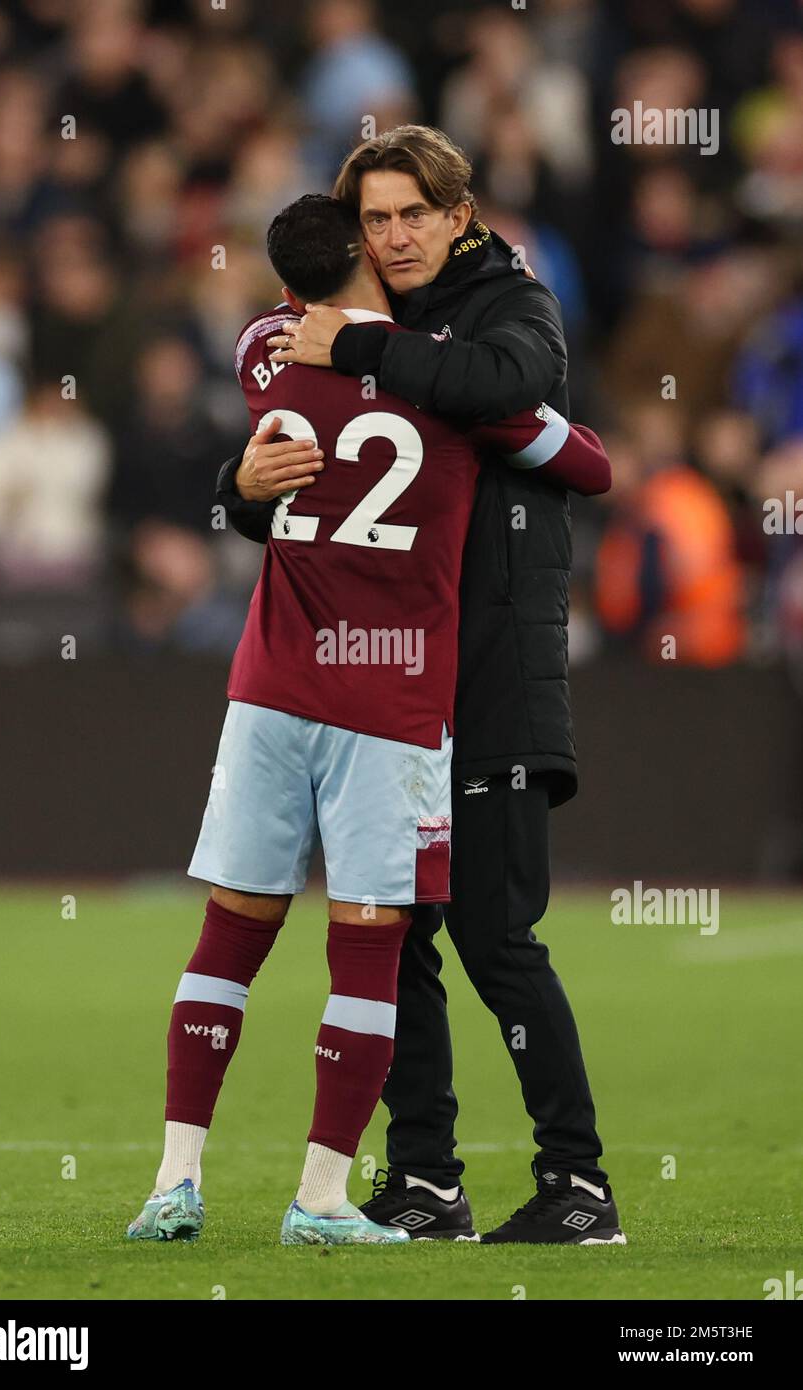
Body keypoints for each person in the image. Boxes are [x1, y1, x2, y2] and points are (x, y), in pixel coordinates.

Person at [127, 191, 612, 1247]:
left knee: (230, 934)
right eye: (380, 227)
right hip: (392, 697)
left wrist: (245, 479)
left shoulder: (272, 355)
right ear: (367, 255)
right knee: (379, 947)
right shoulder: (450, 386)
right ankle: (332, 1195)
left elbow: (265, 397)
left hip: (271, 684)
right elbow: (586, 461)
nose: (399, 241)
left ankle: (176, 1184)